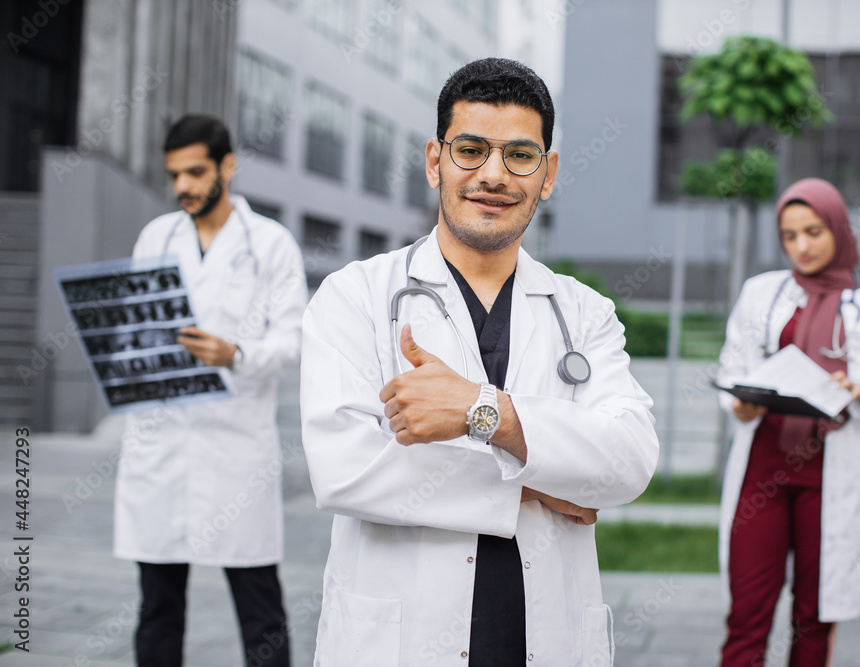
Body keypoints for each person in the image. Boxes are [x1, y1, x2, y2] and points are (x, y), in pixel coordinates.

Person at [299, 57, 659, 666]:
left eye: (520, 155)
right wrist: (540, 479)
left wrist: (482, 412)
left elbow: (629, 459)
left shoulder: (584, 311)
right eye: (470, 149)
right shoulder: (356, 296)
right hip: (401, 641)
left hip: (545, 638)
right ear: (435, 161)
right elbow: (344, 470)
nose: (494, 174)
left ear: (547, 175)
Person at [113, 114, 307, 666]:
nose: (183, 187)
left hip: (235, 447)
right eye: (175, 175)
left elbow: (293, 342)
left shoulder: (270, 244)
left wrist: (235, 355)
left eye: (195, 172)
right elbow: (130, 329)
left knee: (259, 605)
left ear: (228, 165)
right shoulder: (157, 236)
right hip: (161, 445)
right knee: (158, 607)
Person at [716, 178, 860, 666]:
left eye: (813, 232)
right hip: (763, 469)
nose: (801, 246)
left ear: (839, 230)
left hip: (830, 473)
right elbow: (731, 371)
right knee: (746, 611)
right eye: (789, 236)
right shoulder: (761, 293)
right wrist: (740, 403)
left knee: (814, 616)